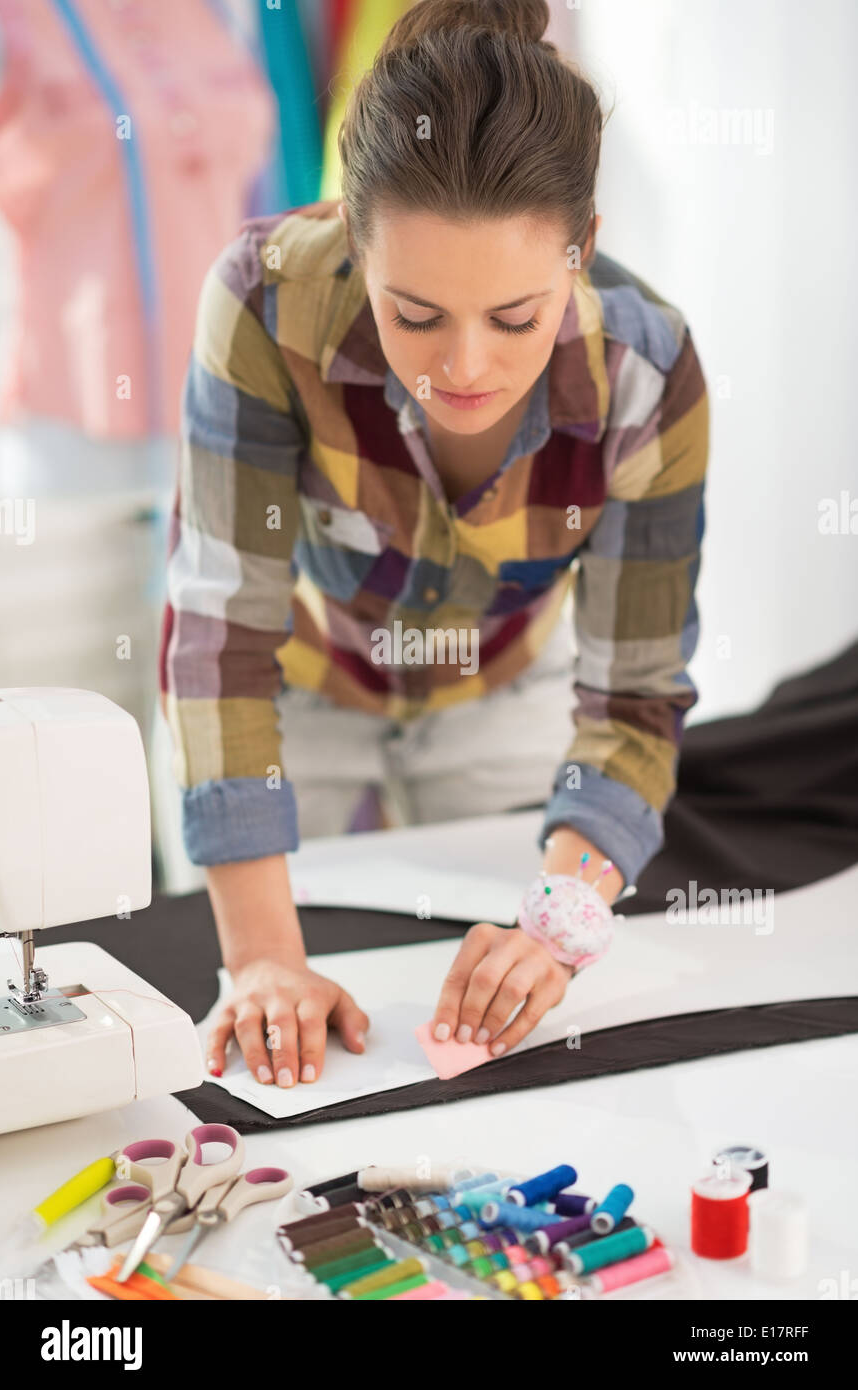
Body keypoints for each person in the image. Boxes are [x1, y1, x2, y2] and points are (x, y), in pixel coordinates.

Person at [159, 0, 709, 1089]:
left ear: (581, 248)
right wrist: (265, 959)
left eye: (515, 317)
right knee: (251, 1038)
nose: (465, 366)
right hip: (292, 691)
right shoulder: (264, 302)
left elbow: (635, 699)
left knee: (510, 1054)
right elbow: (224, 639)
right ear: (354, 245)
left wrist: (555, 927)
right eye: (414, 314)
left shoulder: (649, 375)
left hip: (504, 692)